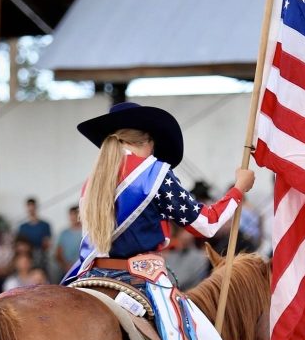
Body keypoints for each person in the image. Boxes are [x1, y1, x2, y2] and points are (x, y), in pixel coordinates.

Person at [63, 101, 254, 281]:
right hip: (140, 278)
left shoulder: (91, 183)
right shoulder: (154, 172)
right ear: (147, 142)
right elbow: (206, 224)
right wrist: (238, 189)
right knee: (186, 317)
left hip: (92, 276)